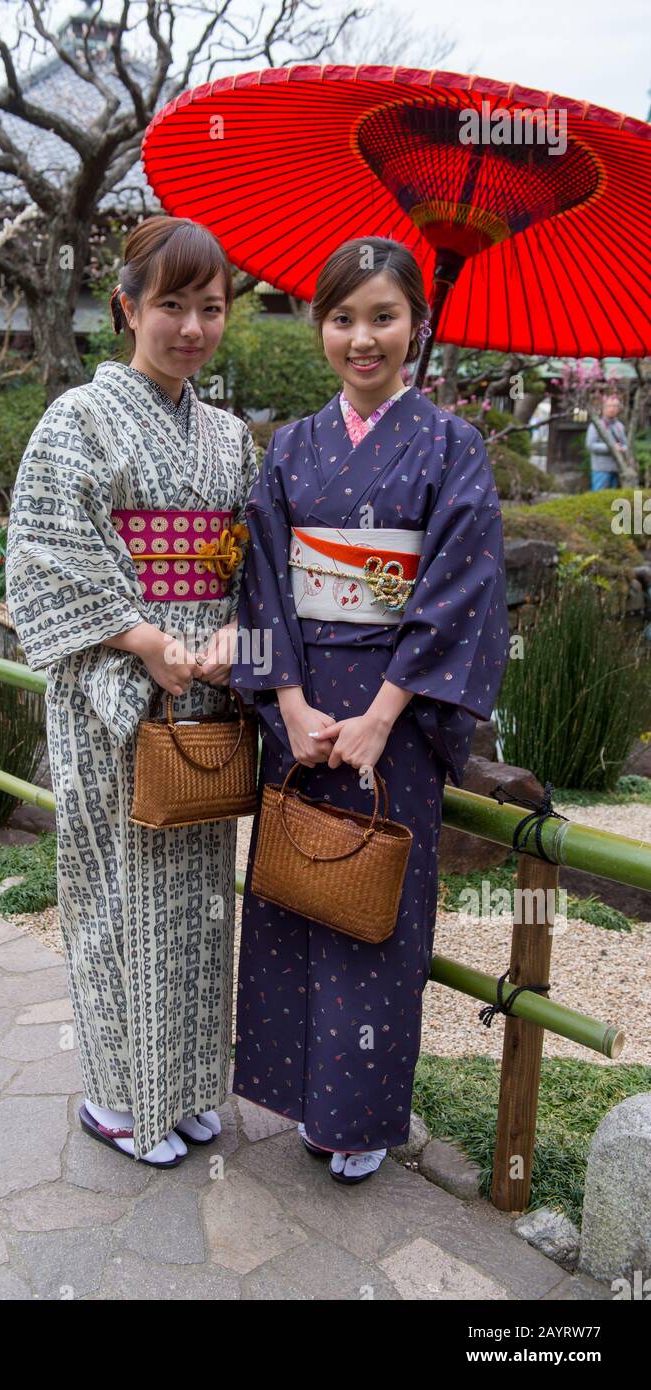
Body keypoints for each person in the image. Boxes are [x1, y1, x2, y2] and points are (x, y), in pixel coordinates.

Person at [230, 236, 510, 1185]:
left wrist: (384, 716)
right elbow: (264, 584)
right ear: (320, 328)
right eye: (342, 318)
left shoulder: (451, 445)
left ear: (415, 328)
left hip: (392, 721)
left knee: (375, 909)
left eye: (382, 317)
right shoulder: (290, 449)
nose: (362, 338)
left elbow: (456, 589)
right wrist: (292, 706)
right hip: (303, 719)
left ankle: (356, 1118)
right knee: (297, 894)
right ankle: (299, 1092)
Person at [5, 216, 260, 1166]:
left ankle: (188, 1088)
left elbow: (253, 556)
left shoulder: (229, 439)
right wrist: (145, 638)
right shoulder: (77, 420)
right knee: (117, 893)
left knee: (199, 896)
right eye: (170, 306)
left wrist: (235, 631)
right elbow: (43, 551)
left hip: (201, 698)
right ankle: (117, 1098)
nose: (191, 326)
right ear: (126, 308)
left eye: (210, 307)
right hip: (112, 691)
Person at [586, 393, 627, 491]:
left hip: (617, 467)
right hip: (601, 468)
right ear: (603, 407)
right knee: (598, 498)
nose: (612, 409)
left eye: (615, 406)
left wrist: (623, 448)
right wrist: (612, 447)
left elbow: (625, 444)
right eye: (609, 406)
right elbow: (590, 445)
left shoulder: (620, 426)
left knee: (612, 500)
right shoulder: (596, 425)